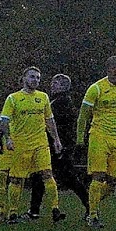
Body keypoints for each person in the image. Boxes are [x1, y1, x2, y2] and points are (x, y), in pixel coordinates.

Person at [76, 55, 116, 229]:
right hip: (98, 137)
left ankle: (90, 205)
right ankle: (93, 216)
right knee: (98, 176)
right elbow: (83, 115)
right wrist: (80, 139)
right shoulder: (96, 88)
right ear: (111, 69)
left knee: (112, 182)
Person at [0, 67, 64, 225]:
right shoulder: (13, 98)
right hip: (20, 145)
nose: (35, 80)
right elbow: (4, 121)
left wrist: (56, 140)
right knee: (16, 179)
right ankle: (13, 212)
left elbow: (49, 120)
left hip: (40, 144)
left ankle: (55, 209)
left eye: (38, 78)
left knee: (47, 174)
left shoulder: (43, 97)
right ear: (24, 78)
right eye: (32, 77)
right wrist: (8, 138)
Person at [28, 73, 88, 219]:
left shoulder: (61, 103)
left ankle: (91, 208)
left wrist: (59, 144)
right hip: (56, 145)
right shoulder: (58, 101)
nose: (51, 86)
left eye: (55, 84)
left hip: (59, 147)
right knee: (43, 176)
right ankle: (34, 210)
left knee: (68, 178)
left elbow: (51, 124)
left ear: (63, 87)